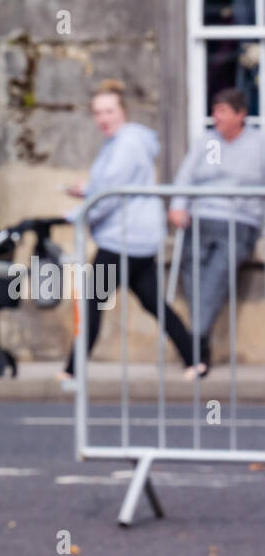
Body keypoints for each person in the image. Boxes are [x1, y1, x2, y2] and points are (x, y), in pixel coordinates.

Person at [60, 79, 203, 380]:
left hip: (121, 239)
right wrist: (87, 191)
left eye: (109, 111)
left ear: (123, 111)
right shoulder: (124, 142)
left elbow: (110, 193)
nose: (103, 119)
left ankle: (73, 371)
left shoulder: (126, 144)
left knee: (91, 303)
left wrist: (78, 215)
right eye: (98, 113)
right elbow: (111, 186)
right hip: (135, 238)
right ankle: (195, 359)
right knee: (153, 303)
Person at [168, 87, 265, 372]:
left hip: (239, 221)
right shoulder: (207, 142)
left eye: (223, 111)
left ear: (241, 115)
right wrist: (178, 205)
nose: (216, 116)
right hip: (200, 218)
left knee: (215, 277)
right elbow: (186, 175)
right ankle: (199, 345)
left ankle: (196, 344)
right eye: (214, 110)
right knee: (193, 274)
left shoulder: (258, 144)